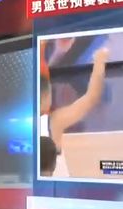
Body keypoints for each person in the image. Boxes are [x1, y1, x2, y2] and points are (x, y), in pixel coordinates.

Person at [41, 47, 109, 177]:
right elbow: (91, 98)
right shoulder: (54, 122)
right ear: (45, 96)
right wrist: (99, 63)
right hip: (55, 186)